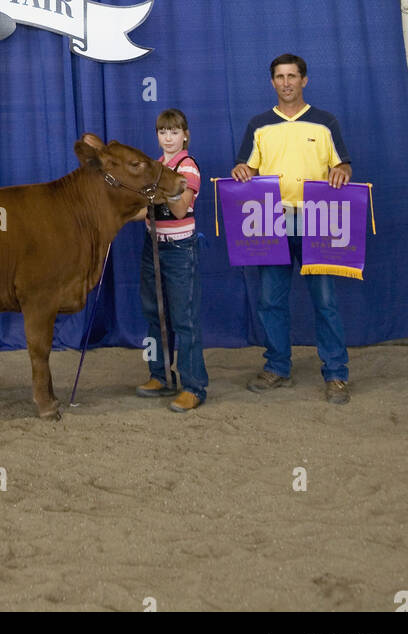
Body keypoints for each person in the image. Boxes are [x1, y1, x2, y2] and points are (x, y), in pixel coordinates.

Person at [231, 53, 352, 404]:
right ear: (272, 82)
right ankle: (277, 367)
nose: (286, 82)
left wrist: (342, 171)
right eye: (280, 77)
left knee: (325, 300)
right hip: (271, 218)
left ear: (304, 80)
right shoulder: (259, 125)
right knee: (271, 300)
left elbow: (342, 164)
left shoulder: (325, 122)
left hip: (318, 218)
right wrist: (243, 171)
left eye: (292, 76)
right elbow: (246, 167)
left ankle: (336, 374)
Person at [135, 109, 208, 413]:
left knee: (183, 318)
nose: (168, 138)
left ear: (185, 135)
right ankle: (161, 375)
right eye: (163, 132)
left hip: (179, 249)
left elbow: (180, 209)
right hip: (152, 246)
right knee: (156, 314)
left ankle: (194, 387)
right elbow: (142, 210)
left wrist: (158, 195)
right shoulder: (155, 167)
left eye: (174, 132)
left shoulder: (187, 167)